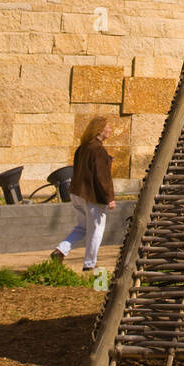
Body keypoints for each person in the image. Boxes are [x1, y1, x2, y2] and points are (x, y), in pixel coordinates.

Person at [51, 115, 116, 272]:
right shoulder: (98, 150)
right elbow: (101, 177)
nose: (110, 130)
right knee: (96, 229)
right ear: (100, 130)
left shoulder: (83, 147)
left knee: (82, 227)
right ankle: (89, 264)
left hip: (77, 193)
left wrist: (107, 160)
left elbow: (86, 168)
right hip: (90, 196)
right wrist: (109, 198)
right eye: (107, 127)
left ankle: (60, 250)